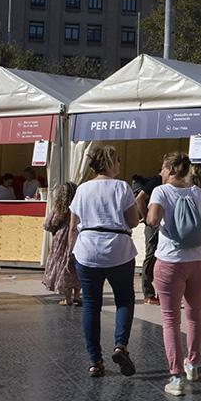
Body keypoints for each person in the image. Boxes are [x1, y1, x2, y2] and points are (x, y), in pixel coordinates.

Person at [146, 152, 201, 397]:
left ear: (169, 169)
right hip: (200, 261)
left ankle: (176, 376)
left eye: (162, 169)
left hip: (170, 261)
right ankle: (193, 364)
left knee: (170, 320)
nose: (160, 173)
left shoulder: (161, 191)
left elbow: (153, 219)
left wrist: (148, 212)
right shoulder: (199, 193)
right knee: (195, 314)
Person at [69, 144, 139, 377]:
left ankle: (94, 361)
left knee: (91, 305)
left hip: (87, 248)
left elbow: (72, 226)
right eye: (117, 159)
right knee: (124, 299)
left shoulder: (82, 189)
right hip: (118, 248)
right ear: (110, 162)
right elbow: (133, 222)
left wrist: (71, 254)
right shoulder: (122, 187)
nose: (120, 163)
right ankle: (120, 344)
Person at [43, 181, 81, 306]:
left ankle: (67, 297)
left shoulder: (59, 207)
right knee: (76, 265)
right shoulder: (80, 205)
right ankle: (77, 295)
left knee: (63, 264)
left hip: (62, 237)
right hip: (78, 235)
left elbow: (50, 224)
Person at [133, 171, 163, 306]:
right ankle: (148, 293)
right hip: (154, 225)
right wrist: (147, 219)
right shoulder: (158, 180)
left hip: (164, 224)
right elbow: (139, 198)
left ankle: (162, 292)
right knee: (151, 256)